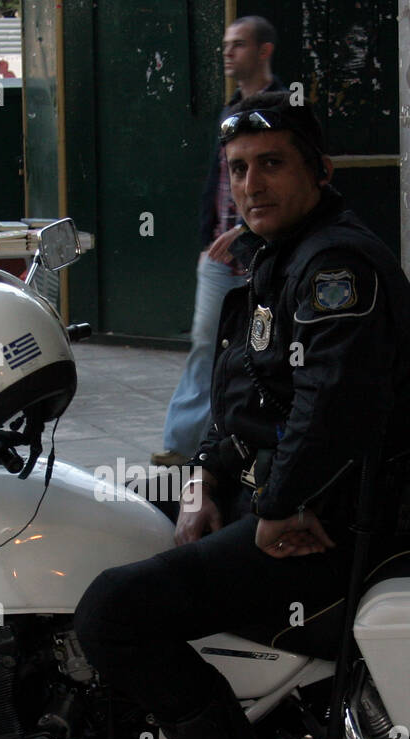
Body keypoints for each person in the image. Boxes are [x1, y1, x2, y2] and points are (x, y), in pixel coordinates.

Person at [75, 92, 410, 739]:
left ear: (321, 172)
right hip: (290, 499)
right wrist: (202, 482)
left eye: (272, 164)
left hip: (328, 527)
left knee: (113, 610)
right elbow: (243, 397)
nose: (251, 183)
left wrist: (276, 505)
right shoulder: (281, 258)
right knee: (98, 517)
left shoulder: (336, 265)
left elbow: (332, 402)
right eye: (239, 169)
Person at [152, 16, 283, 468]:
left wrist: (246, 231)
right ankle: (183, 445)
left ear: (263, 52)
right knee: (205, 343)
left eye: (239, 45)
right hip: (219, 254)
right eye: (225, 45)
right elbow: (220, 179)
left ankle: (241, 444)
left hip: (262, 251)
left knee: (261, 349)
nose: (228, 53)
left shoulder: (282, 109)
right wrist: (207, 236)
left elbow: (286, 188)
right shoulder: (230, 110)